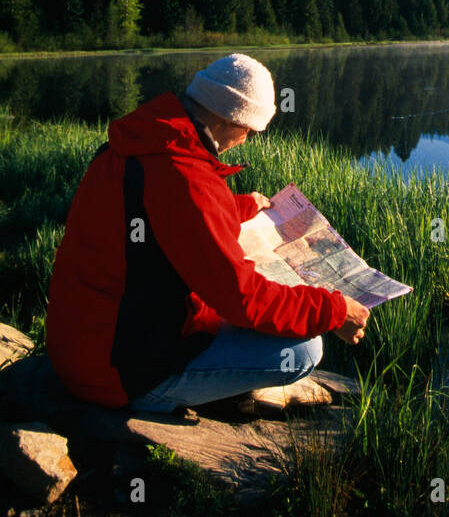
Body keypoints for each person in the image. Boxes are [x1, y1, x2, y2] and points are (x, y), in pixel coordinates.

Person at [46, 53, 369, 414]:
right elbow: (243, 299)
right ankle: (213, 396)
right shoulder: (187, 178)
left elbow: (170, 218)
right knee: (304, 350)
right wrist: (334, 311)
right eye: (249, 129)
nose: (247, 140)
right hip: (119, 375)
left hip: (81, 348)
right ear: (230, 117)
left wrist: (241, 206)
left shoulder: (142, 143)